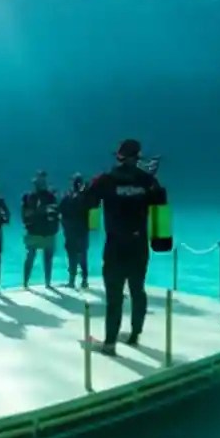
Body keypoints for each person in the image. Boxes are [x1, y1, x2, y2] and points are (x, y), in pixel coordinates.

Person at [84, 139, 165, 356]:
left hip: (115, 246)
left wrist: (90, 224)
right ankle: (135, 335)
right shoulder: (148, 181)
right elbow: (161, 208)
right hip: (139, 246)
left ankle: (110, 343)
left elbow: (88, 203)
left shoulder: (106, 179)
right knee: (137, 290)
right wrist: (150, 178)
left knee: (114, 295)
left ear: (118, 156)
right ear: (138, 157)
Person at [21, 170, 60, 289]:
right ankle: (26, 283)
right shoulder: (29, 197)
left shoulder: (50, 196)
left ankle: (46, 282)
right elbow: (25, 214)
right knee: (32, 256)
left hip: (46, 231)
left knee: (45, 257)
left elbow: (55, 213)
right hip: (35, 231)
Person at [59, 173, 91, 289]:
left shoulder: (69, 197)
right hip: (80, 231)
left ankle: (74, 280)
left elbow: (61, 212)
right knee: (81, 256)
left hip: (73, 231)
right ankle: (82, 280)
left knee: (75, 256)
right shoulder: (84, 197)